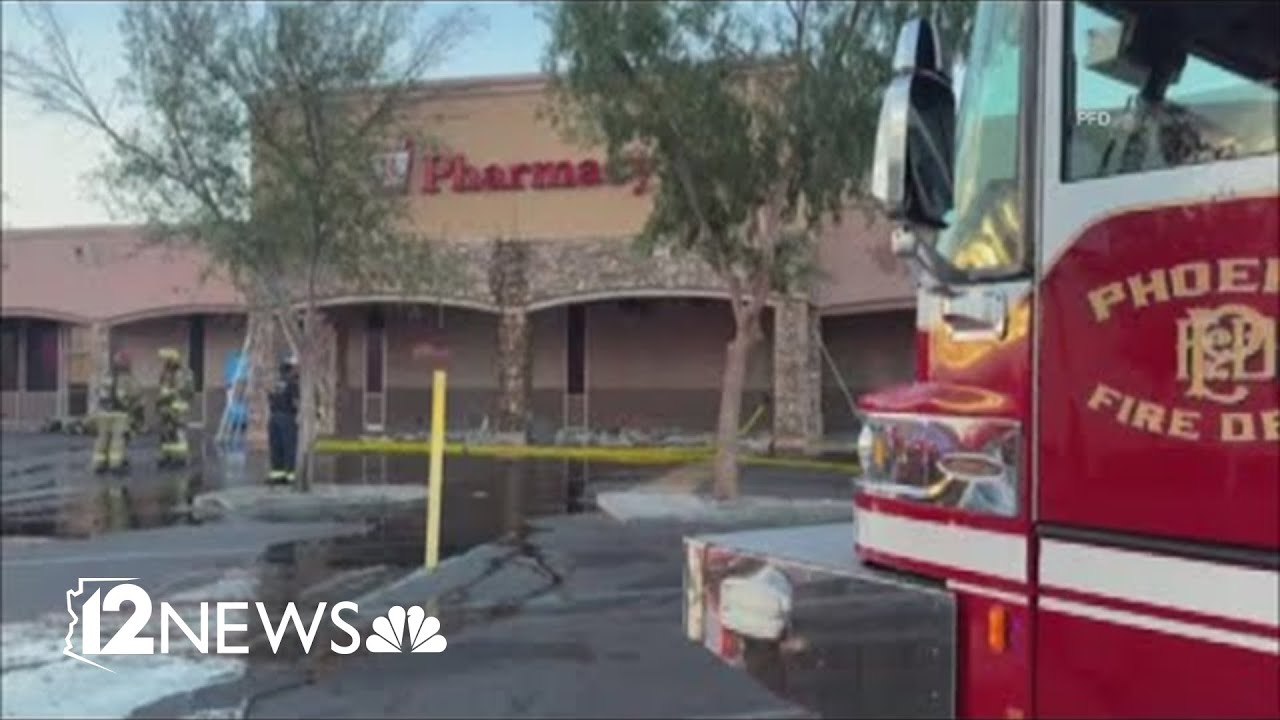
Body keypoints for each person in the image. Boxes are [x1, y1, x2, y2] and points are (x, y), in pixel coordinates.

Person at [92, 351, 138, 474]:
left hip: (103, 413)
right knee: (117, 439)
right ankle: (115, 464)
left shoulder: (106, 376)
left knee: (102, 438)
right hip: (119, 414)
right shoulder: (127, 378)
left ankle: (99, 464)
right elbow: (135, 394)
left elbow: (98, 391)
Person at [155, 347, 195, 467]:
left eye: (167, 360)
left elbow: (185, 390)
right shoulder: (165, 372)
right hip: (166, 408)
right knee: (166, 433)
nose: (165, 362)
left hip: (178, 408)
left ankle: (180, 458)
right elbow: (161, 387)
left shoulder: (183, 373)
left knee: (178, 433)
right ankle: (167, 456)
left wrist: (171, 393)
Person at [267, 354, 300, 485]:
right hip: (287, 417)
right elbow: (296, 402)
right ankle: (290, 476)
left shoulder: (276, 383)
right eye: (295, 369)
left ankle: (277, 475)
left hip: (273, 418)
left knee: (276, 447)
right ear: (290, 369)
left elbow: (270, 398)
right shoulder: (293, 384)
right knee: (289, 447)